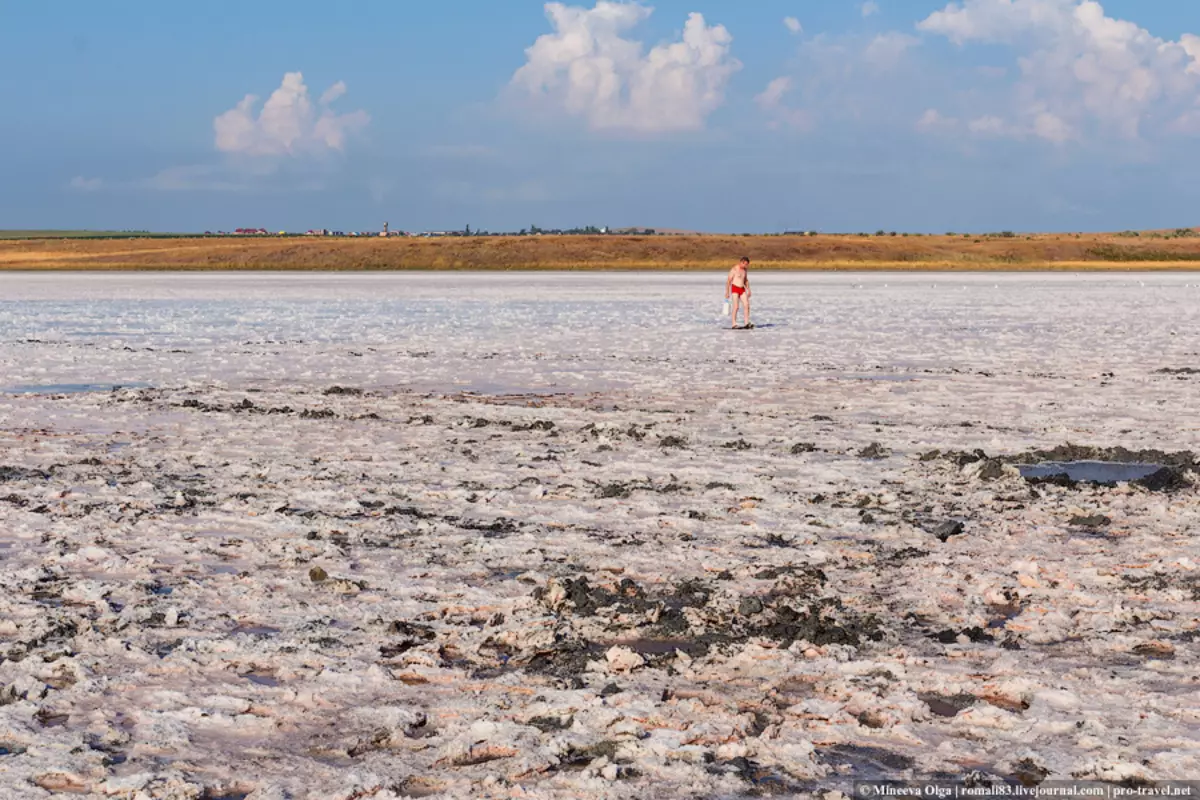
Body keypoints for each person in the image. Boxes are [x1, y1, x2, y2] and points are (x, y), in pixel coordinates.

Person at [725, 256, 752, 329]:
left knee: (746, 305)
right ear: (741, 262)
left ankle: (746, 323)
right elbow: (728, 281)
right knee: (736, 307)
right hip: (735, 288)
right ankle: (734, 324)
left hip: (742, 289)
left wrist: (748, 289)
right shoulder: (734, 269)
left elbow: (745, 280)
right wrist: (727, 292)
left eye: (747, 264)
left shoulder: (745, 270)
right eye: (745, 264)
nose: (746, 266)